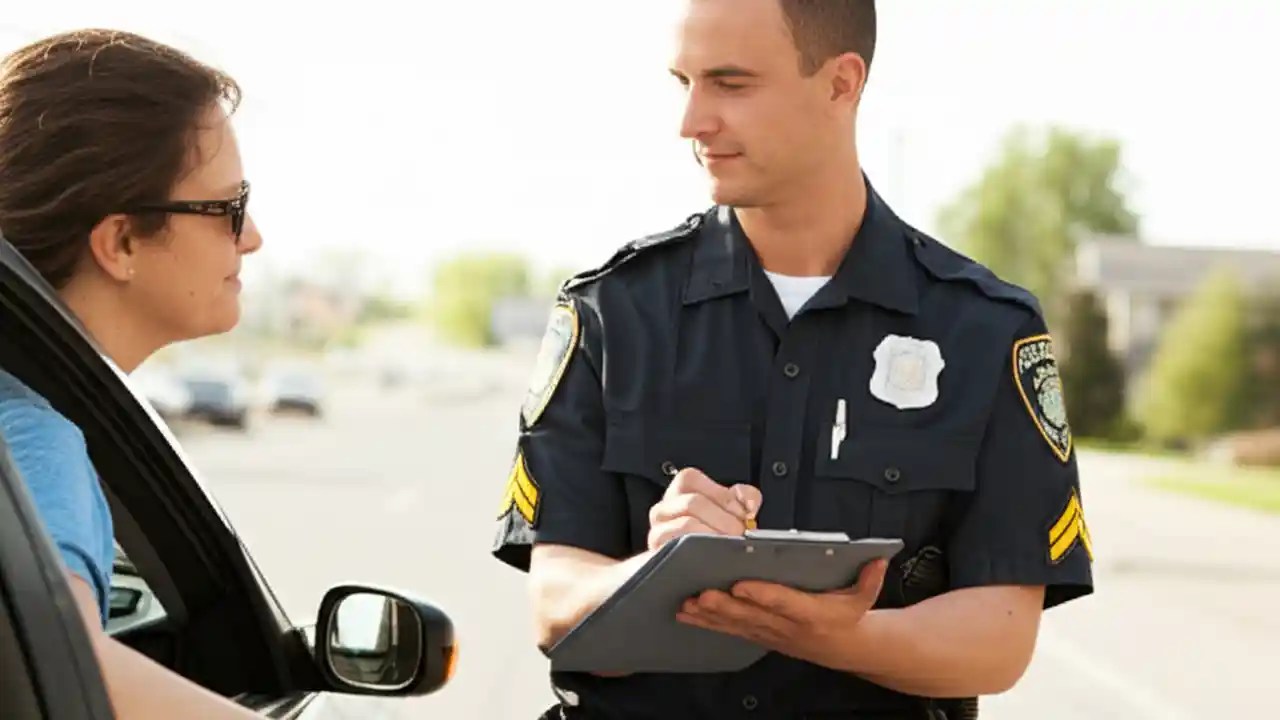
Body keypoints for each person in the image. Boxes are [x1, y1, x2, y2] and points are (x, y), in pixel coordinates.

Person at [490, 1, 1094, 718]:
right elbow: (554, 603)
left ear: (841, 83)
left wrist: (834, 636)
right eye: (684, 82)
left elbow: (1000, 640)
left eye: (731, 84)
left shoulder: (985, 329)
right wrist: (659, 573)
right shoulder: (612, 311)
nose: (691, 122)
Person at [0, 29, 265, 718]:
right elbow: (52, 662)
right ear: (120, 242)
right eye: (227, 209)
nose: (253, 236)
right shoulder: (31, 438)